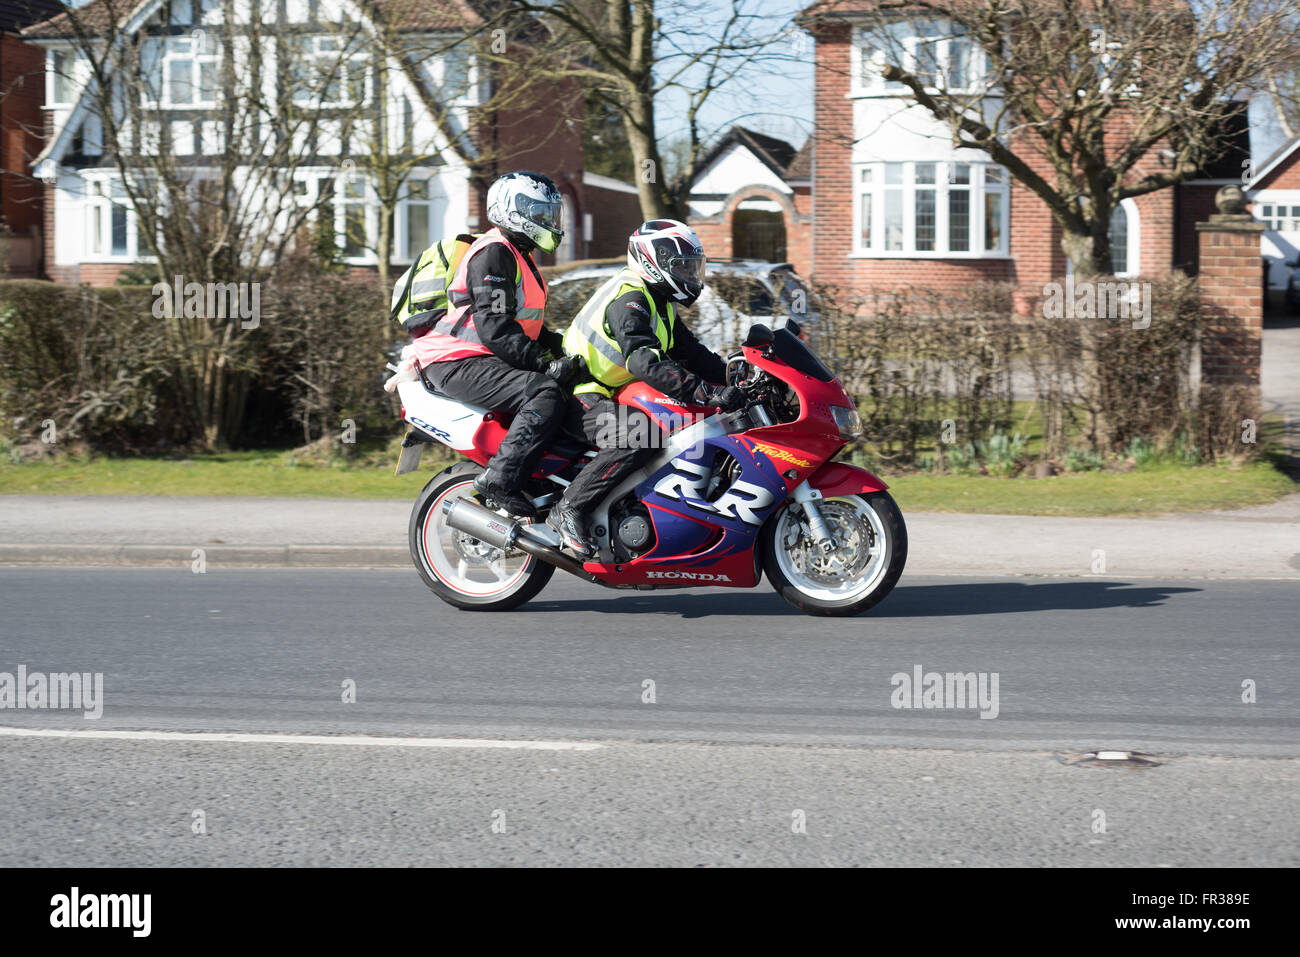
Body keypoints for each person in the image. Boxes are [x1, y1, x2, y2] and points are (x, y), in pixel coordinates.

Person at [547, 219, 746, 555]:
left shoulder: (660, 301)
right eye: (681, 268)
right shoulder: (631, 300)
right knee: (639, 434)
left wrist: (735, 377)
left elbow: (692, 352)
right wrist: (705, 393)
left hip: (608, 391)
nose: (689, 276)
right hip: (580, 394)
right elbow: (644, 362)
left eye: (691, 268)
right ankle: (568, 509)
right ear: (652, 262)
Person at [409, 171, 584, 517]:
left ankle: (539, 477)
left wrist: (572, 351)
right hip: (455, 360)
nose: (549, 221)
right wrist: (545, 365)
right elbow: (495, 328)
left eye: (551, 213)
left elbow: (527, 326)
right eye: (540, 212)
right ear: (512, 211)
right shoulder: (494, 253)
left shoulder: (519, 255)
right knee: (544, 392)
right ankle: (500, 480)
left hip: (481, 357)